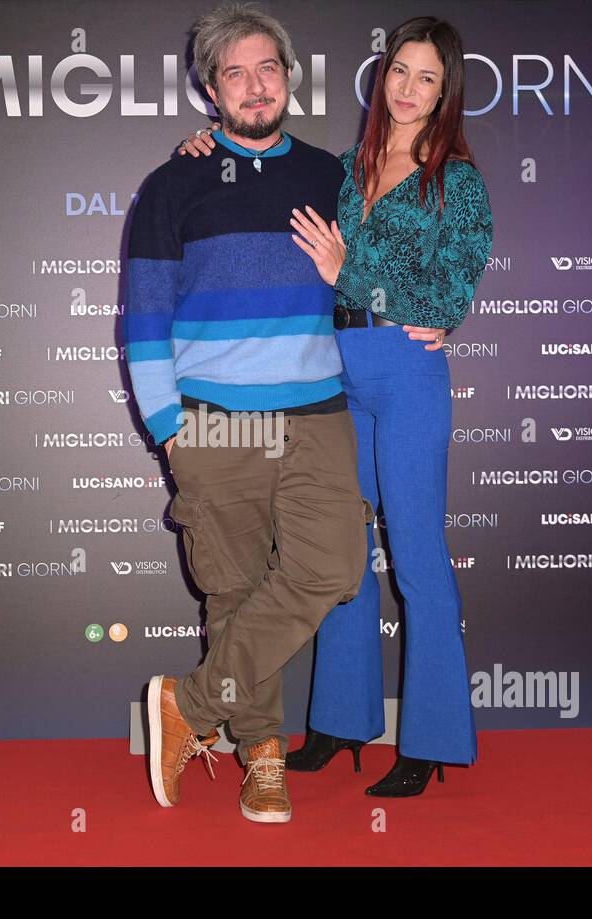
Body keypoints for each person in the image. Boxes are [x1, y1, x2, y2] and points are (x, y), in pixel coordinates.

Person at [176, 15, 493, 797]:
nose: (411, 89)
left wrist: (354, 273)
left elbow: (445, 296)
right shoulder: (345, 169)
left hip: (405, 370)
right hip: (331, 369)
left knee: (417, 560)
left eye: (428, 77)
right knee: (342, 558)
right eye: (400, 72)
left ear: (447, 88)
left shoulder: (458, 179)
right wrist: (201, 144)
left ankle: (431, 739)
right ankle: (340, 724)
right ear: (381, 78)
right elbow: (266, 167)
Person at [126, 3, 371, 824]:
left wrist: (376, 289)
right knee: (231, 592)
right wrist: (169, 427)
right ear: (209, 88)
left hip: (315, 412)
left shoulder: (333, 177)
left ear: (289, 78)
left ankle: (189, 707)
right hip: (215, 420)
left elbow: (379, 288)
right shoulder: (173, 184)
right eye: (235, 72)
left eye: (268, 68)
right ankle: (262, 758)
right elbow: (145, 317)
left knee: (331, 568)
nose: (255, 85)